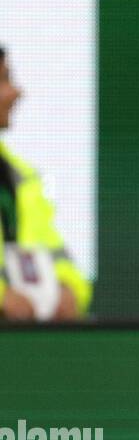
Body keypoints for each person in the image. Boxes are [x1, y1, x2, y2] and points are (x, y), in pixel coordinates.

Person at [0, 46, 92, 322]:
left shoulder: (23, 179)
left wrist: (69, 289)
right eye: (4, 80)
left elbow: (57, 256)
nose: (17, 92)